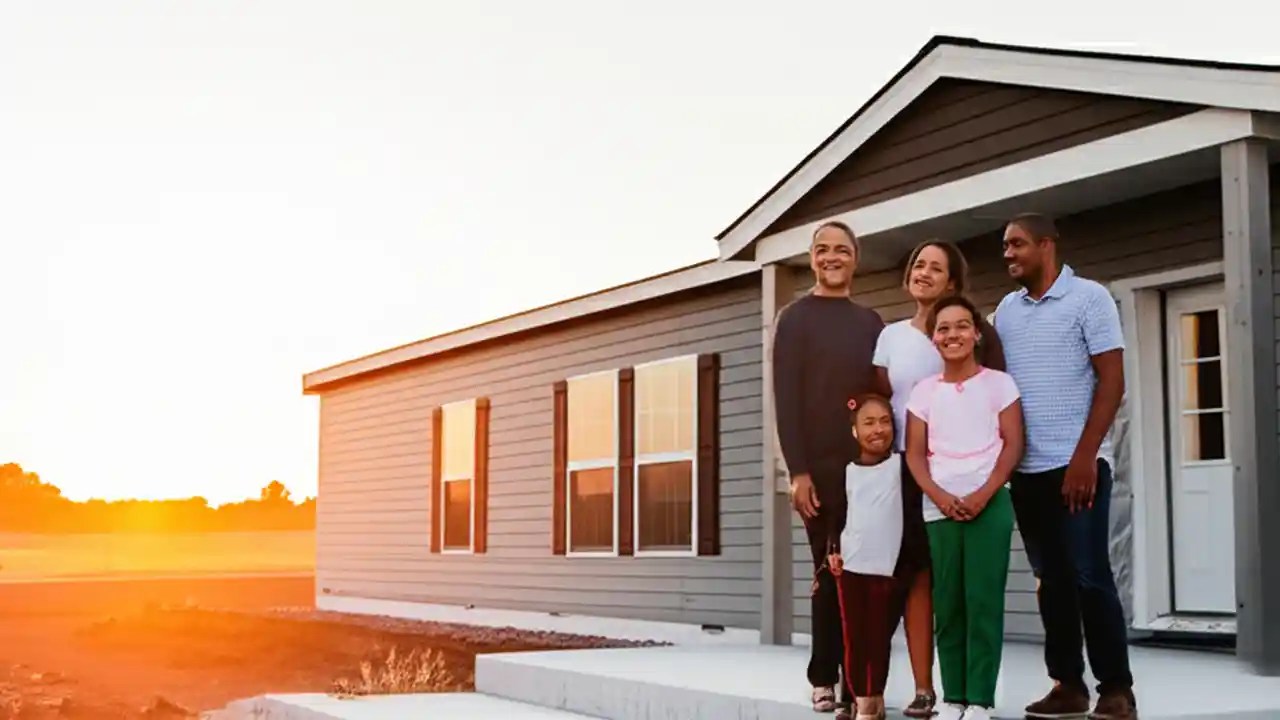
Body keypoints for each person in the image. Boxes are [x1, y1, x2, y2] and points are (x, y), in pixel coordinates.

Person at [994, 213, 1137, 720]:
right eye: (1005, 246)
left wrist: (1085, 457)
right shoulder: (1005, 312)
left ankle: (1116, 689)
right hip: (1027, 471)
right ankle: (1068, 686)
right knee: (1050, 580)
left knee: (1089, 574)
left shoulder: (1090, 299)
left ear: (1047, 245)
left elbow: (1112, 382)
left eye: (1017, 244)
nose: (1008, 254)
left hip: (1078, 465)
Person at [872, 239, 1005, 718]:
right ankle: (924, 687)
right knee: (914, 579)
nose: (923, 272)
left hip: (962, 476)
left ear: (953, 282)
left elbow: (992, 400)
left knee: (960, 585)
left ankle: (972, 693)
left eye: (936, 268)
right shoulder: (890, 336)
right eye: (917, 264)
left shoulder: (970, 331)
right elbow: (879, 403)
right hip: (909, 470)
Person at [773, 220, 885, 714]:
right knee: (829, 570)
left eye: (841, 249)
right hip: (816, 472)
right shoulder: (794, 318)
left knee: (863, 575)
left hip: (867, 469)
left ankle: (858, 680)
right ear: (813, 258)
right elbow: (786, 399)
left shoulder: (870, 322)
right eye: (822, 250)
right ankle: (824, 676)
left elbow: (881, 395)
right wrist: (797, 470)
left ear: (855, 258)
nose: (832, 257)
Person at [905, 295, 1024, 720]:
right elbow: (916, 454)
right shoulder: (923, 392)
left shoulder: (998, 384)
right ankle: (953, 696)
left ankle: (980, 700)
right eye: (943, 328)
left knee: (983, 601)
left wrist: (984, 493)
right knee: (949, 603)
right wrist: (939, 495)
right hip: (939, 509)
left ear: (976, 333)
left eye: (960, 326)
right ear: (933, 338)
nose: (951, 334)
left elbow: (1013, 444)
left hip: (989, 504)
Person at [825, 393, 922, 720]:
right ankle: (864, 702)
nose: (878, 429)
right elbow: (837, 518)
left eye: (884, 421)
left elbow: (911, 517)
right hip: (852, 566)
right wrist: (833, 552)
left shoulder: (904, 466)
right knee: (855, 639)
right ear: (854, 431)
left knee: (878, 639)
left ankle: (871, 699)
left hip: (889, 568)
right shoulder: (847, 471)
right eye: (868, 423)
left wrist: (908, 565)